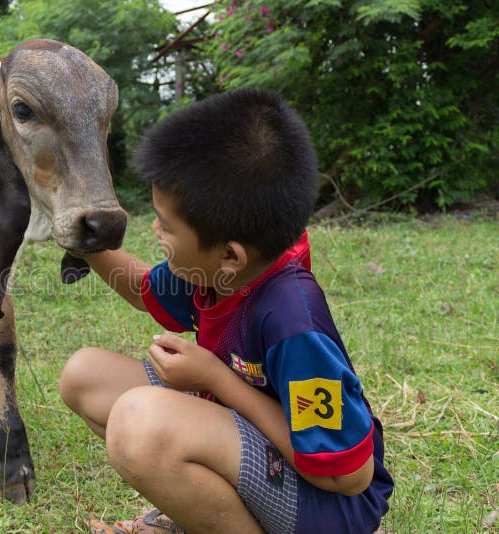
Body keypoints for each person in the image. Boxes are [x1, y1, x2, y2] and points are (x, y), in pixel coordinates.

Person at [58, 88, 393, 534]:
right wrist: (83, 238)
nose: (155, 229)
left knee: (139, 423)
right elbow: (142, 288)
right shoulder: (216, 269)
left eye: (168, 225)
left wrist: (216, 380)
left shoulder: (292, 319)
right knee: (85, 376)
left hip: (329, 507)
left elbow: (347, 475)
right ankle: (201, 513)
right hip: (252, 435)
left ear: (229, 256)